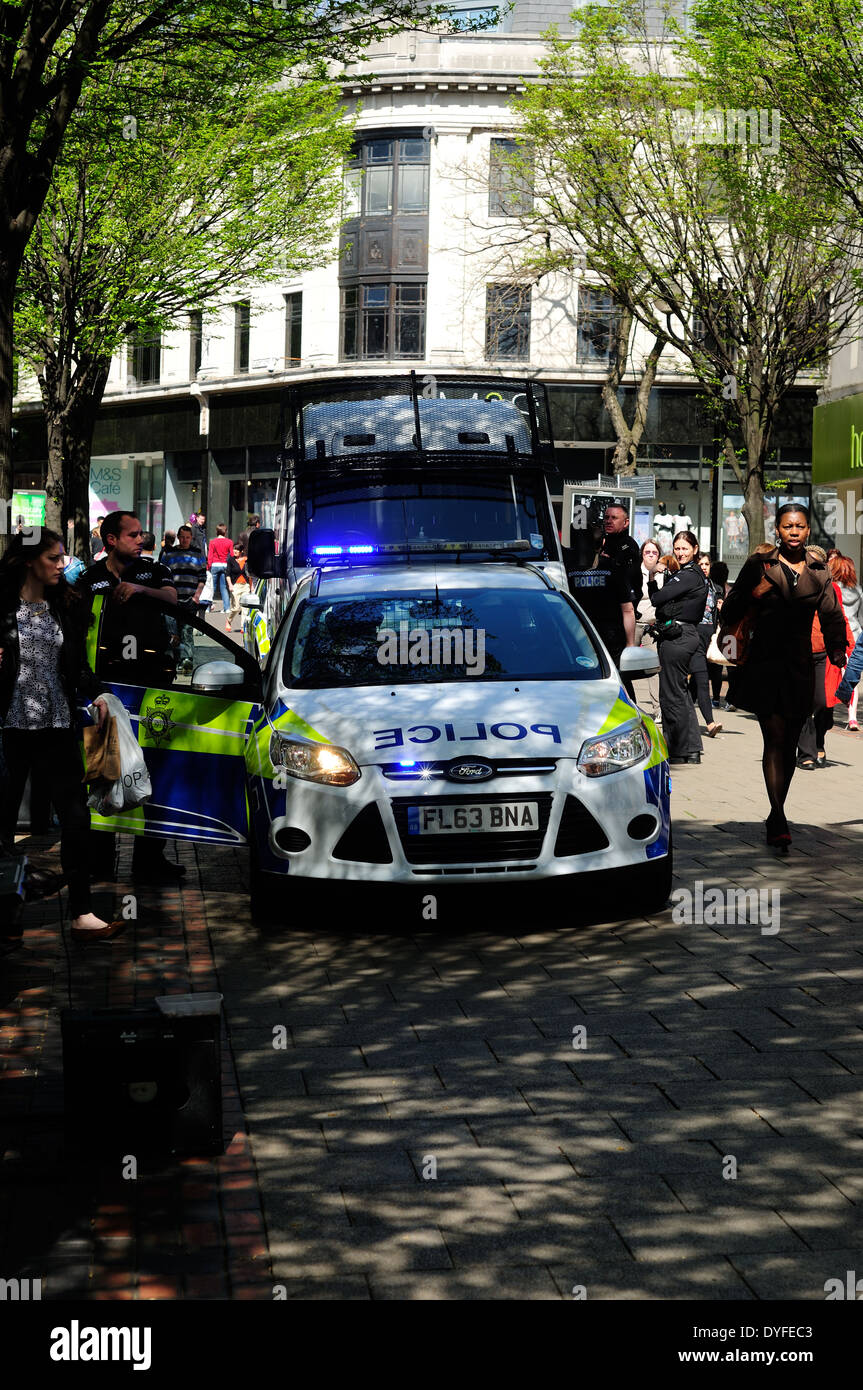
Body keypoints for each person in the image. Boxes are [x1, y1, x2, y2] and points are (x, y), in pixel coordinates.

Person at [0, 530, 124, 941]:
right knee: (2, 825)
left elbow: (75, 665)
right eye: (53, 558)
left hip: (55, 725)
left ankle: (82, 912)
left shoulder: (64, 605)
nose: (61, 564)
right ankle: (5, 917)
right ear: (28, 561)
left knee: (76, 819)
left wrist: (97, 693)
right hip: (8, 729)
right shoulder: (2, 608)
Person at [719, 504, 847, 849]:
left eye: (800, 526)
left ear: (808, 532)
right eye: (788, 526)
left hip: (800, 665)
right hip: (764, 664)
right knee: (774, 739)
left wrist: (838, 650)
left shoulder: (819, 571)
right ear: (777, 530)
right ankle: (777, 815)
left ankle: (779, 809)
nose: (794, 531)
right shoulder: (759, 565)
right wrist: (752, 593)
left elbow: (832, 615)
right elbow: (728, 611)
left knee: (789, 743)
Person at [77, 511, 184, 882]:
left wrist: (141, 591)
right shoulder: (89, 580)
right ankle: (100, 862)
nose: (141, 540)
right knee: (104, 772)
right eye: (134, 535)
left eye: (142, 534)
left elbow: (172, 599)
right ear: (110, 540)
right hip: (105, 692)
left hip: (152, 689)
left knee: (152, 772)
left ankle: (149, 860)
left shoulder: (152, 571)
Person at [648, 530, 708, 765]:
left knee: (672, 694)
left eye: (685, 548)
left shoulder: (689, 575)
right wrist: (653, 579)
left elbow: (658, 599)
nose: (680, 552)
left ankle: (680, 749)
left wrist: (657, 579)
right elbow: (658, 597)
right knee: (678, 693)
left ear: (694, 550)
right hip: (678, 635)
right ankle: (687, 750)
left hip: (679, 636)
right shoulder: (683, 574)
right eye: (677, 548)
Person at [796, 547, 853, 769]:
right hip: (798, 652)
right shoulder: (794, 585)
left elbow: (839, 618)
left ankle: (819, 740)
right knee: (803, 703)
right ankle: (806, 753)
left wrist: (847, 648)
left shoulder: (833, 589)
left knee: (822, 703)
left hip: (823, 652)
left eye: (818, 565)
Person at [564, 518, 636, 667]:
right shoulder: (613, 568)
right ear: (602, 543)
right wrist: (630, 645)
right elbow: (627, 609)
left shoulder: (566, 571)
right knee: (618, 678)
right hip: (610, 637)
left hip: (577, 635)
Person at [161, 524, 207, 672]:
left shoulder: (198, 553)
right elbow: (163, 575)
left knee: (187, 630)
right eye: (182, 537)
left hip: (190, 599)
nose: (185, 540)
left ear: (191, 538)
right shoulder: (169, 554)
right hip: (171, 599)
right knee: (172, 631)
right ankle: (172, 660)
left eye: (188, 537)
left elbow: (202, 577)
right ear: (178, 538)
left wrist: (197, 596)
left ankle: (187, 659)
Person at [689, 552, 723, 737]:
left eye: (707, 564)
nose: (704, 567)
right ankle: (710, 723)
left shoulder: (716, 587)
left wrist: (722, 608)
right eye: (701, 563)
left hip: (710, 636)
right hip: (695, 634)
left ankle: (682, 715)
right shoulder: (692, 584)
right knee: (702, 678)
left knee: (696, 682)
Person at [829, 553, 863, 729]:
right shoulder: (858, 590)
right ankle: (852, 718)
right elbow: (861, 616)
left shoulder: (832, 588)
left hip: (837, 635)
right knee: (851, 676)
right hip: (855, 634)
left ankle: (822, 709)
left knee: (831, 673)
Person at [635, 539, 662, 724]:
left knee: (653, 669)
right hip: (634, 624)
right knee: (626, 667)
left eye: (654, 552)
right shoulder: (636, 572)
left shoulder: (662, 574)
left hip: (652, 627)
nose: (651, 555)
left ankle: (658, 709)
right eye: (647, 552)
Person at [598, 503, 642, 605]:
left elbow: (628, 577)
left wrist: (607, 562)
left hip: (622, 606)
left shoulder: (629, 544)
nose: (608, 521)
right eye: (606, 517)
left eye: (614, 518)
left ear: (626, 523)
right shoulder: (604, 541)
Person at [225, 532, 250, 634]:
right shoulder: (230, 560)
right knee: (236, 608)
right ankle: (229, 620)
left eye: (237, 550)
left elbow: (249, 574)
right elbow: (227, 574)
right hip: (235, 586)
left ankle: (243, 626)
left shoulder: (246, 560)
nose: (234, 551)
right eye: (234, 549)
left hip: (245, 586)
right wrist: (230, 585)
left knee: (245, 608)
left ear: (242, 551)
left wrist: (251, 587)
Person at [207, 523, 234, 613]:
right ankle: (226, 608)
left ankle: (207, 608)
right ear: (225, 532)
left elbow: (210, 555)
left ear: (217, 531)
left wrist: (208, 566)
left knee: (212, 587)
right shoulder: (229, 542)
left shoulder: (212, 542)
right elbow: (232, 555)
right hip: (225, 565)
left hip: (215, 565)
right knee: (223, 587)